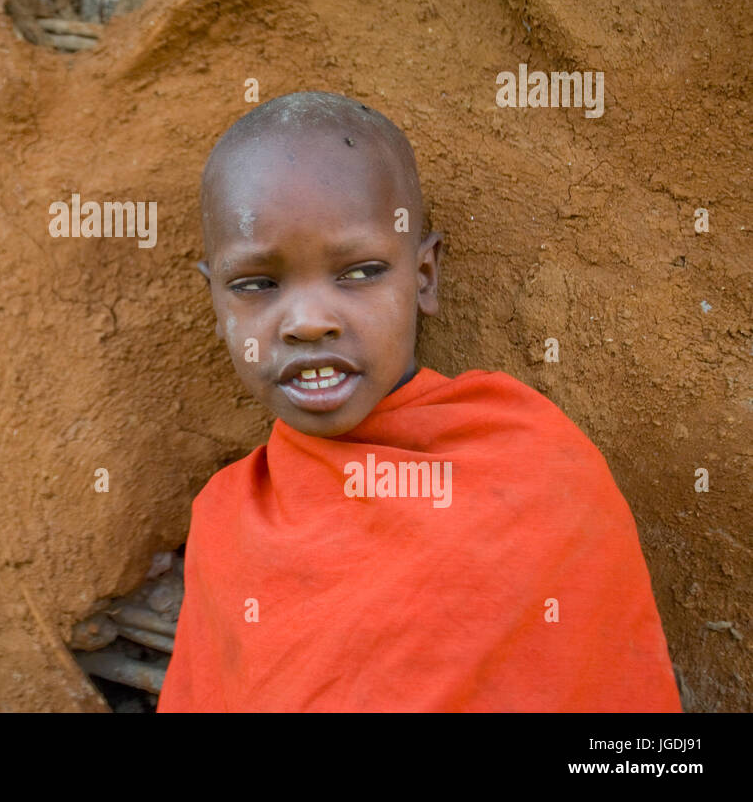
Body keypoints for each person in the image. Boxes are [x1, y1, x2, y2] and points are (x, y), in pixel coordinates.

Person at [156, 91, 681, 712]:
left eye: (359, 272)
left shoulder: (536, 471)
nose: (308, 322)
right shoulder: (229, 522)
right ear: (215, 300)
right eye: (256, 285)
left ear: (424, 276)